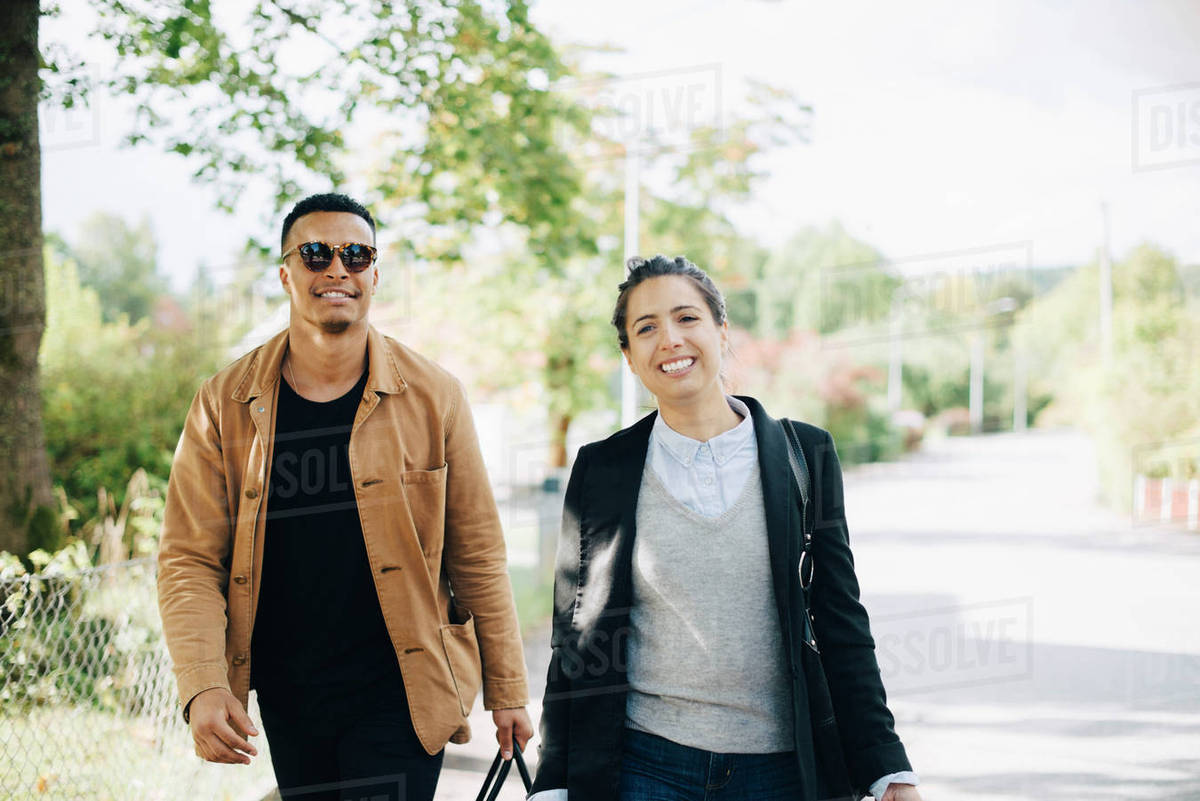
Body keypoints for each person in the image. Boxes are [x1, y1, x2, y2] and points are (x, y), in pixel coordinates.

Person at [157, 193, 533, 801]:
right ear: (286, 274)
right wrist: (202, 683)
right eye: (316, 254)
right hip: (288, 697)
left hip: (406, 694)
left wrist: (508, 690)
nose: (337, 269)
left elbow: (478, 552)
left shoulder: (436, 396)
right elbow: (188, 559)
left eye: (356, 255)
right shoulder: (223, 405)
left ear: (375, 275)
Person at [529, 256, 922, 801]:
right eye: (646, 328)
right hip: (645, 767)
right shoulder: (604, 468)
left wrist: (888, 768)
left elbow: (841, 620)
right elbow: (575, 633)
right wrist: (553, 781)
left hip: (782, 771)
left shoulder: (805, 455)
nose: (669, 339)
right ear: (629, 356)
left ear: (721, 330)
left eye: (686, 318)